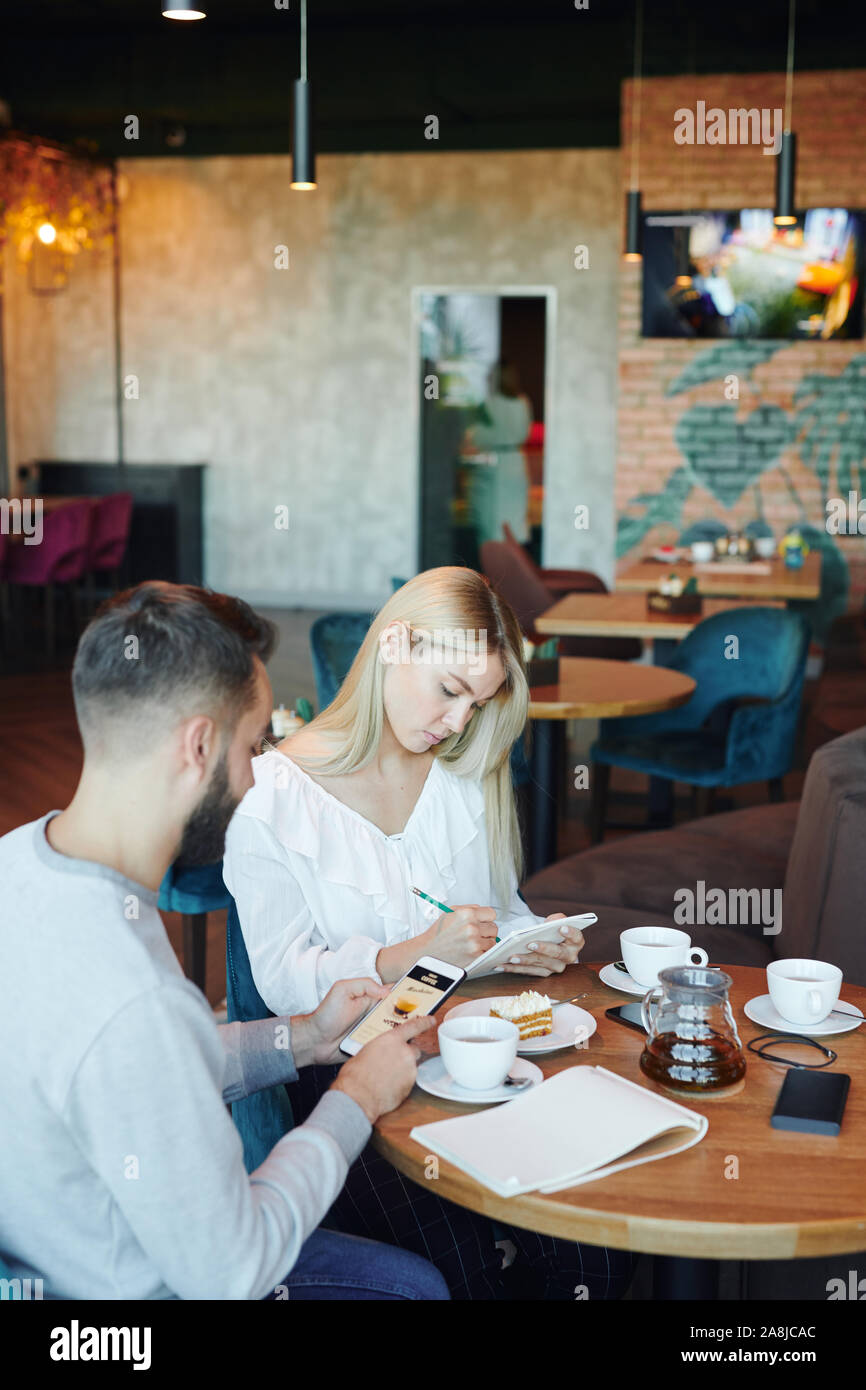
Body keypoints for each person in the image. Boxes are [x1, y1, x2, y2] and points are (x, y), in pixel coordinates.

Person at [0, 582, 448, 1301]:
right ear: (199, 745)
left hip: (46, 1256)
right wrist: (357, 1097)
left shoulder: (19, 863)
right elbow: (234, 1271)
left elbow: (143, 1073)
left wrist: (303, 1039)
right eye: (254, 744)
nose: (256, 775)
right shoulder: (133, 997)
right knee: (419, 1290)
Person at [223, 566, 637, 1300]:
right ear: (395, 644)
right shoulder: (273, 799)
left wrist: (526, 938)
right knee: (466, 1269)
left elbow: (492, 910)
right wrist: (414, 954)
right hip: (352, 1076)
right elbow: (284, 982)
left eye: (476, 705)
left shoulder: (459, 777)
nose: (457, 723)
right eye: (450, 690)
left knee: (596, 1248)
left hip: (474, 1046)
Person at [463, 360, 533, 546]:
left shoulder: (487, 403)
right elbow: (526, 433)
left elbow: (475, 436)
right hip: (516, 462)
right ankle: (513, 566)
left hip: (492, 463)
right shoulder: (522, 402)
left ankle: (493, 567)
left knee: (491, 526)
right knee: (513, 524)